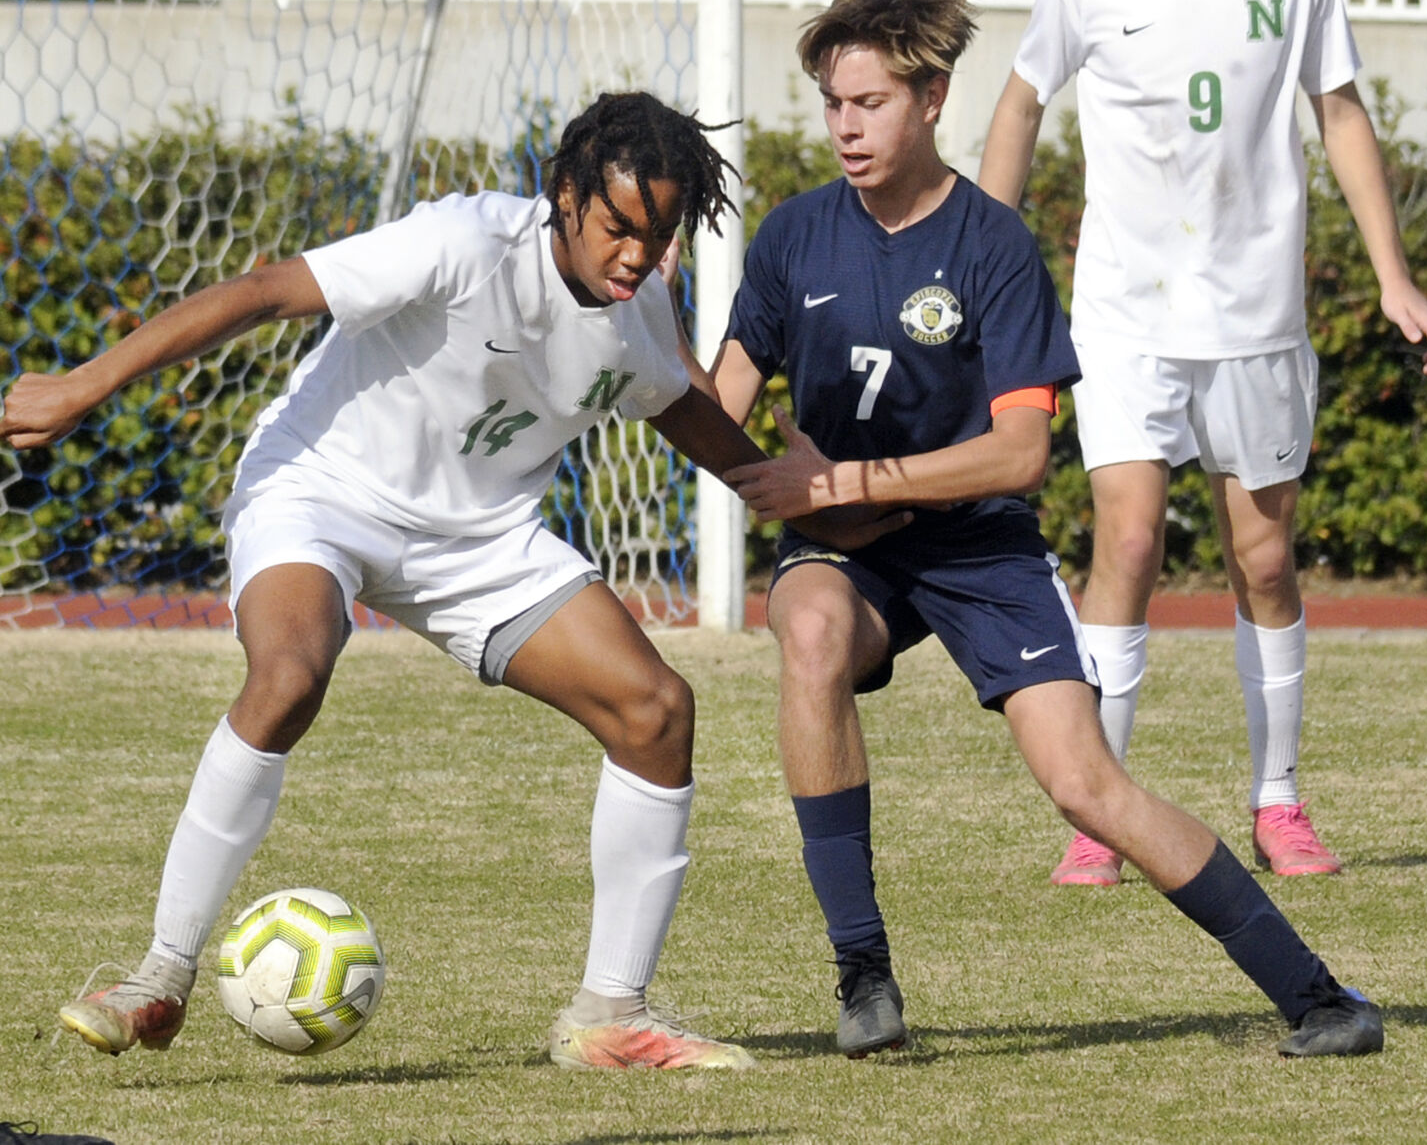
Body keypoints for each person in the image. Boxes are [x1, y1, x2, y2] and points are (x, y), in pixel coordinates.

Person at [2, 91, 887, 1071]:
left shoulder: (639, 316)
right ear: (566, 196)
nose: (636, 255)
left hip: (478, 542)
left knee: (656, 709)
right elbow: (261, 292)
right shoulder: (463, 241)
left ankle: (608, 1011)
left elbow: (701, 428)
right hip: (322, 489)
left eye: (658, 233)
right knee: (289, 674)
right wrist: (86, 382)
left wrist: (839, 503)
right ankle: (158, 975)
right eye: (618, 227)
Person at [707, 0, 1384, 1059]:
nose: (844, 126)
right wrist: (632, 368)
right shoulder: (792, 239)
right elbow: (722, 403)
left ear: (931, 98)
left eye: (869, 102)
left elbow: (1019, 453)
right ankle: (863, 972)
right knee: (812, 632)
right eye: (833, 103)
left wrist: (845, 484)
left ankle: (1317, 995)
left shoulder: (993, 246)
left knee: (1083, 783)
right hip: (841, 554)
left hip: (978, 542)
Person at [977, 0, 1427, 887]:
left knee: (1266, 561)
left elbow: (1338, 112)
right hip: (1123, 320)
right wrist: (980, 260)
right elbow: (1018, 106)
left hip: (1254, 317)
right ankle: (1099, 810)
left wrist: (1393, 274)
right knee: (1130, 541)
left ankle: (1278, 799)